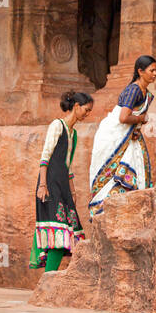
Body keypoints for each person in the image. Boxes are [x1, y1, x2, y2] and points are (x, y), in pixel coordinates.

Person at [29, 91, 94, 272]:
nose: (87, 114)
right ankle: (48, 280)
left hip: (63, 186)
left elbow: (68, 165)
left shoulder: (73, 133)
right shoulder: (57, 125)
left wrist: (72, 192)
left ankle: (50, 279)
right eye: (86, 110)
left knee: (69, 231)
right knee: (57, 232)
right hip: (50, 184)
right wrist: (43, 185)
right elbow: (45, 156)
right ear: (76, 107)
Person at [86, 55, 156, 219]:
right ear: (140, 71)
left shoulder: (145, 93)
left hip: (129, 137)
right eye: (151, 70)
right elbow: (123, 118)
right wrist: (141, 119)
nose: (154, 74)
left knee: (136, 167)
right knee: (116, 172)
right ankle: (106, 213)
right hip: (114, 136)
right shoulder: (134, 90)